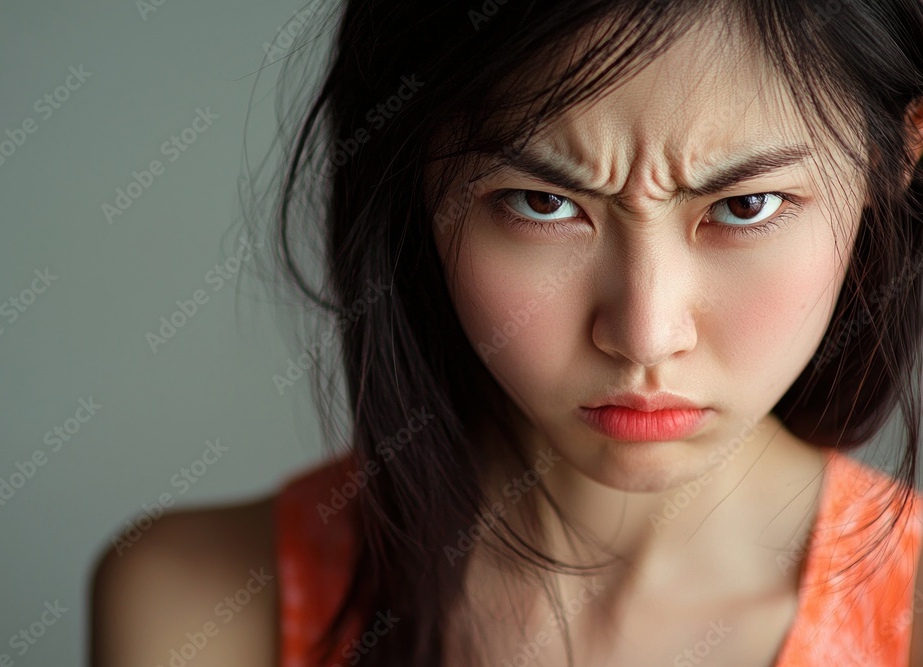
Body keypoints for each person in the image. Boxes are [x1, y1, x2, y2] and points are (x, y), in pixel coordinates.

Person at [89, 0, 923, 665]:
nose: (642, 334)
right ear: (412, 175)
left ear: (898, 154)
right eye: (543, 203)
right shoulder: (197, 608)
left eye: (745, 206)